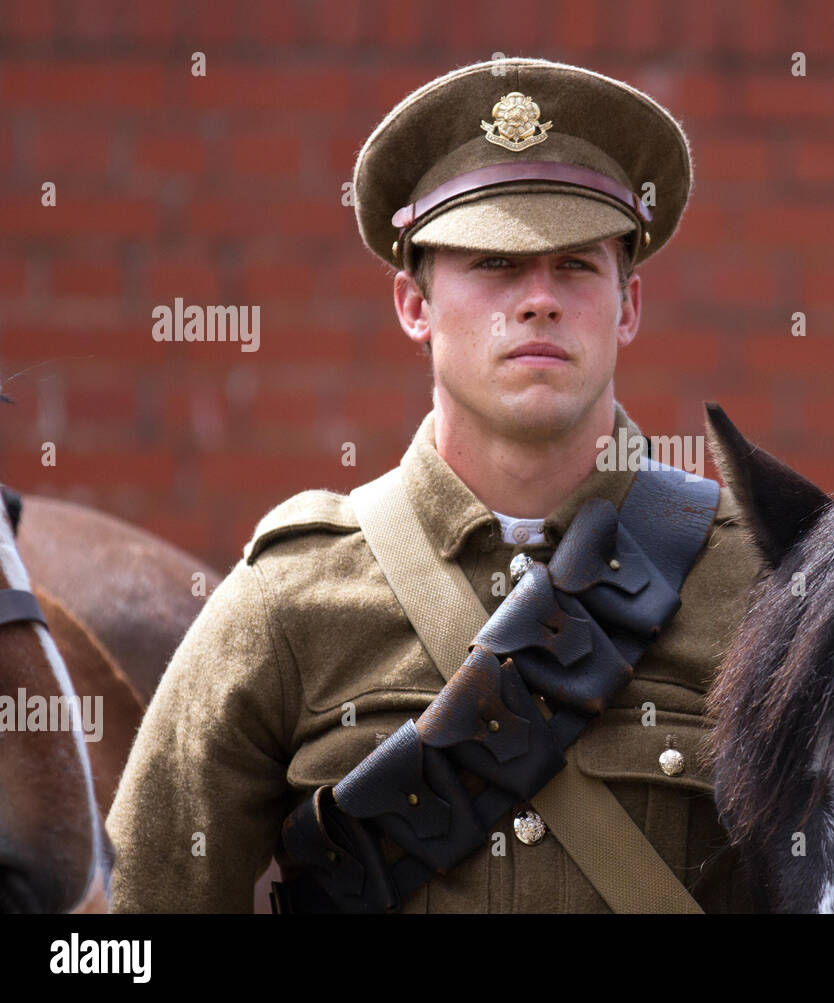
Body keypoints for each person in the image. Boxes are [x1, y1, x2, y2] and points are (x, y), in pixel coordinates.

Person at [106, 56, 762, 913]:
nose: (538, 300)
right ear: (414, 306)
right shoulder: (290, 602)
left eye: (575, 266)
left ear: (628, 305)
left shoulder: (759, 593)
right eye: (494, 264)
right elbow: (136, 925)